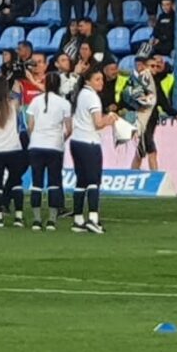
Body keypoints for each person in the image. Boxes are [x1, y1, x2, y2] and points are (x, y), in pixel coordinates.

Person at [70, 65, 118, 234]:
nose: (101, 83)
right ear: (89, 80)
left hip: (76, 140)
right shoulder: (92, 97)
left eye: (102, 79)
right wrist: (110, 119)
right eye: (97, 79)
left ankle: (78, 219)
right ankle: (93, 218)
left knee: (81, 181)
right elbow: (98, 123)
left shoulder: (81, 94)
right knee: (93, 181)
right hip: (89, 142)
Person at [26, 71, 72, 231]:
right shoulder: (64, 104)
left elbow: (30, 126)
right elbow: (69, 128)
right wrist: (60, 139)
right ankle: (52, 220)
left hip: (36, 146)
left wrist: (35, 138)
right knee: (53, 183)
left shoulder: (35, 101)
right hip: (54, 147)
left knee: (36, 184)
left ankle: (37, 220)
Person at [0, 74, 27, 228]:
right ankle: (19, 217)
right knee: (16, 182)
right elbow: (19, 95)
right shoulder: (12, 104)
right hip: (13, 148)